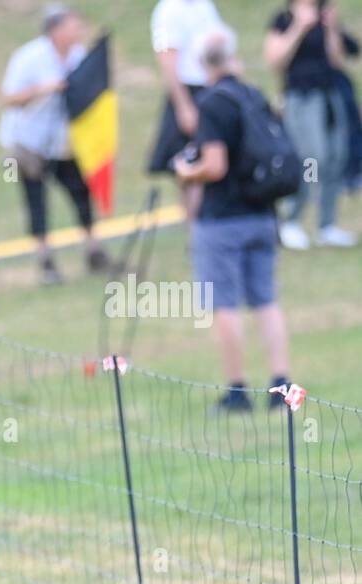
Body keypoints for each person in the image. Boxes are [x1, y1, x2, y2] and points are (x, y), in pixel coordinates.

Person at [173, 27, 292, 414]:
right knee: (266, 301)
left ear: (202, 65)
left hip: (222, 220)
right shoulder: (252, 94)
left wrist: (185, 172)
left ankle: (237, 391)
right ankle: (281, 384)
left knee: (225, 304)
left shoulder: (211, 104)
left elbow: (215, 165)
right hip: (261, 214)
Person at [0, 5, 108, 284]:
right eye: (73, 25)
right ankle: (45, 260)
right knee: (36, 200)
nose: (78, 30)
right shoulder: (29, 57)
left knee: (81, 192)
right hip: (28, 142)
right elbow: (9, 98)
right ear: (56, 29)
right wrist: (43, 89)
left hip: (63, 142)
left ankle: (93, 250)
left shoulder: (79, 55)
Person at [265, 0, 360, 249]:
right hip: (301, 99)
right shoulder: (284, 19)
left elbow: (337, 61)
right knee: (310, 159)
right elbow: (275, 61)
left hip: (329, 95)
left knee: (335, 157)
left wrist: (331, 28)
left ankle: (327, 224)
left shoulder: (326, 16)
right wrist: (299, 27)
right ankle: (292, 219)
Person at [148, 0, 226, 219]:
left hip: (210, 87)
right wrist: (183, 105)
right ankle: (196, 229)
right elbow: (166, 58)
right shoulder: (167, 10)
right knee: (190, 161)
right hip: (188, 91)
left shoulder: (204, 5)